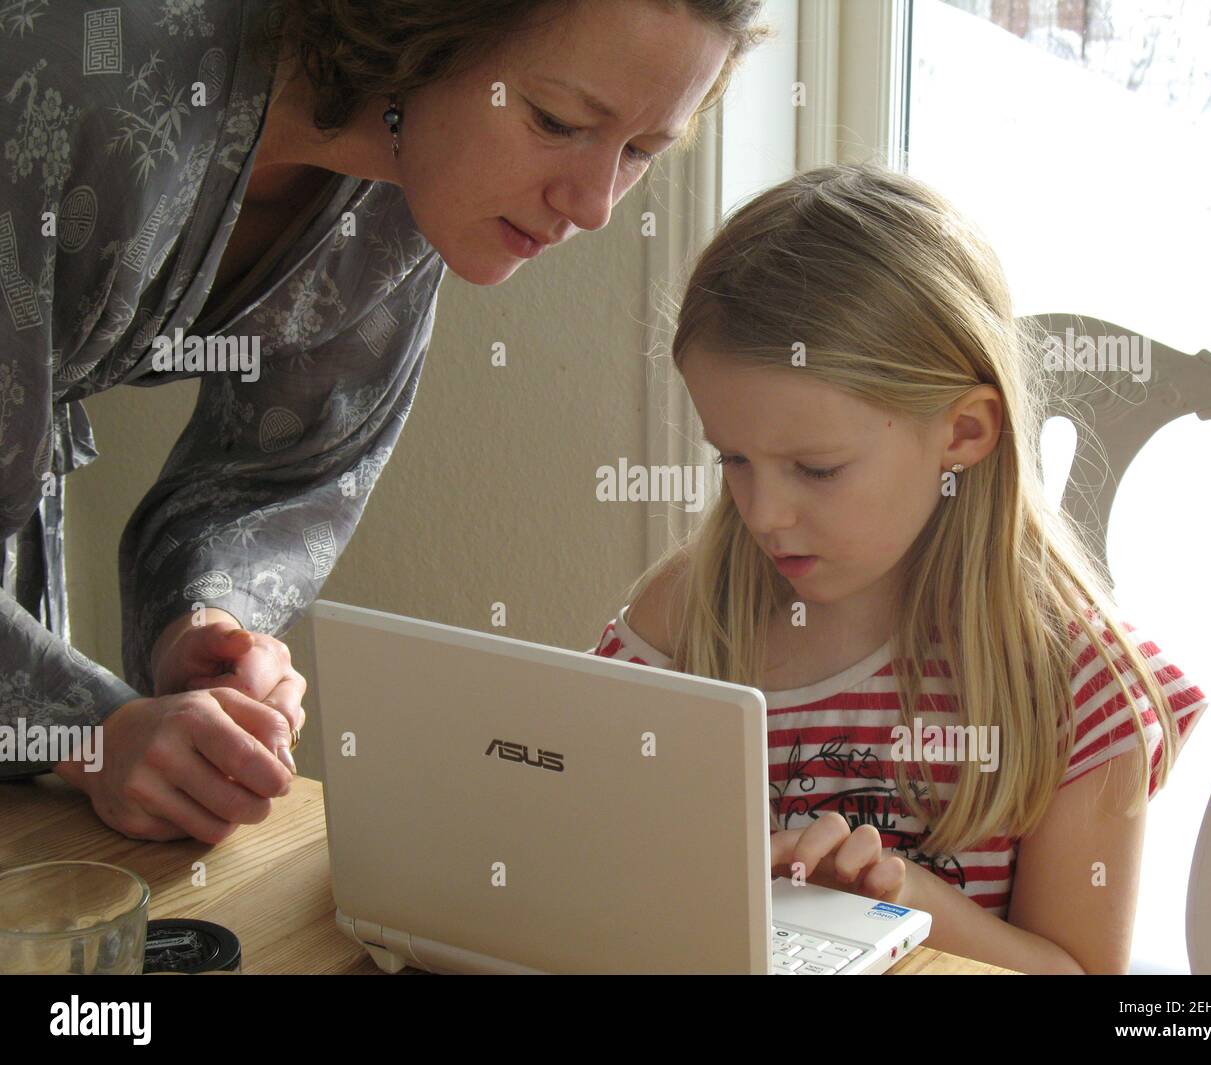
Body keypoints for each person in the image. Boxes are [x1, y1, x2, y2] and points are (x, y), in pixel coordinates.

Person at [0, 0, 767, 844]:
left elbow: (272, 474)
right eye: (558, 121)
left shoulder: (407, 194)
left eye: (641, 152)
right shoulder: (79, 62)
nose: (594, 205)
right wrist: (84, 728)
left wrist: (204, 622)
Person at [591, 161, 1210, 974]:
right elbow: (587, 863)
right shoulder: (687, 616)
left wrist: (904, 906)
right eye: (732, 458)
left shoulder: (1077, 687)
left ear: (963, 433)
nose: (764, 512)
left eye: (815, 469)